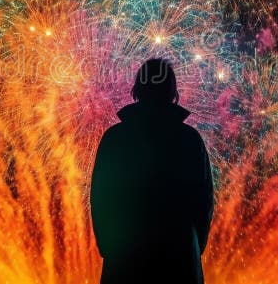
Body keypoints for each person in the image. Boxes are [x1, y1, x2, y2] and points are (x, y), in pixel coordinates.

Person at [90, 58, 214, 284]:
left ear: (137, 88)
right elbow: (204, 202)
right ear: (172, 91)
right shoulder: (189, 139)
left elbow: (100, 198)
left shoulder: (115, 138)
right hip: (179, 255)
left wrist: (109, 247)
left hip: (125, 255)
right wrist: (194, 245)